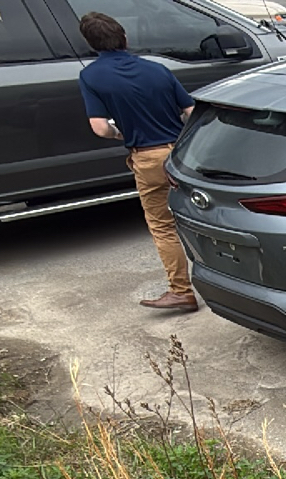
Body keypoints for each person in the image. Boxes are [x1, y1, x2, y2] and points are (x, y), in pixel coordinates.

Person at [76, 12, 199, 313]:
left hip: (148, 158)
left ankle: (182, 291)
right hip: (183, 155)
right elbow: (191, 111)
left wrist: (124, 133)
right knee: (202, 217)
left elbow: (101, 127)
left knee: (163, 226)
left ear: (91, 44)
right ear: (125, 38)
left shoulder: (91, 76)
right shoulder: (157, 69)